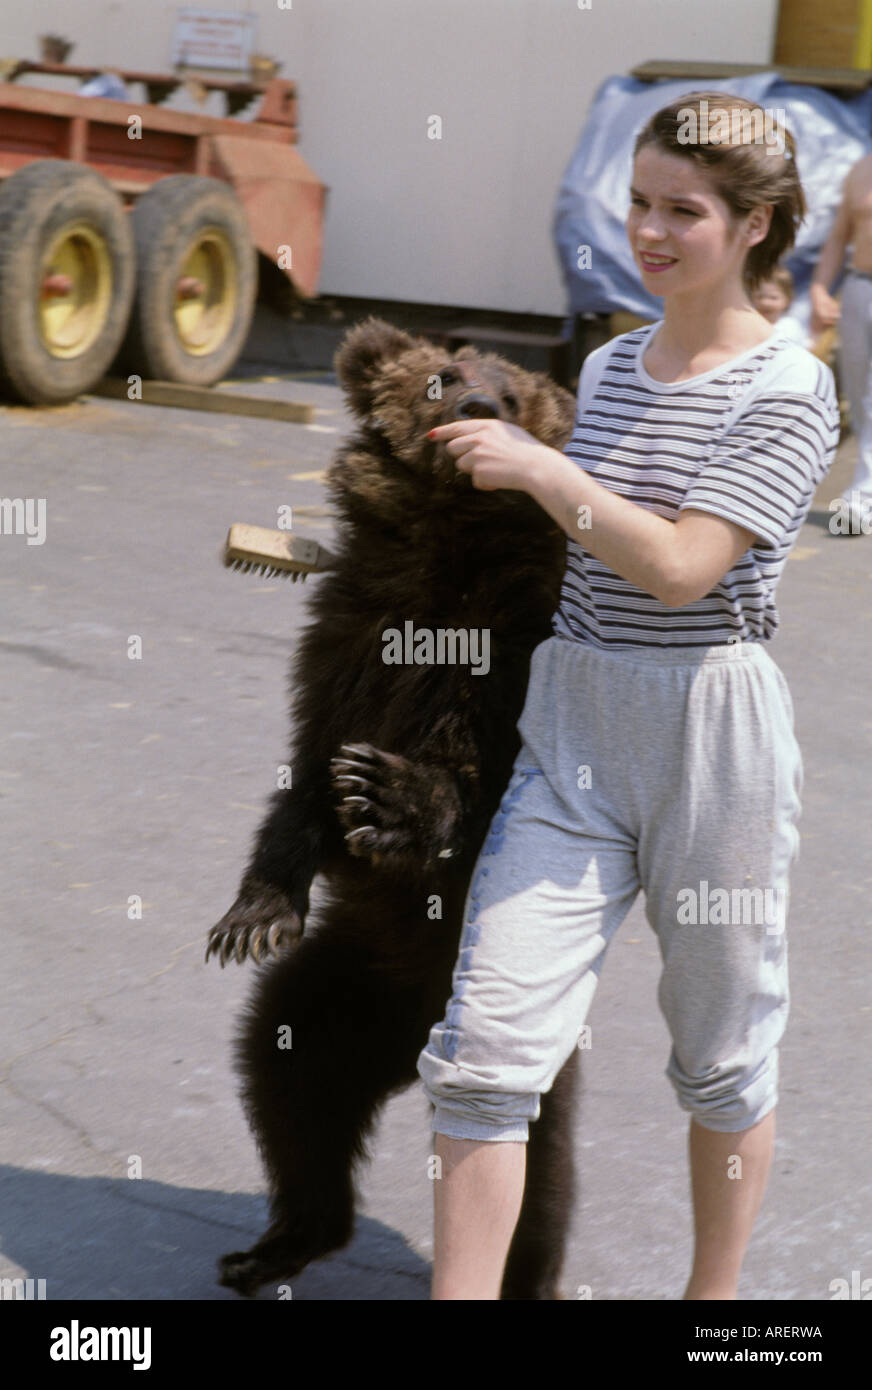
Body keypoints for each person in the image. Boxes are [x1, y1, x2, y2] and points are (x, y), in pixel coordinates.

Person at [418, 90, 840, 1301]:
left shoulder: (787, 388)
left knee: (719, 1057)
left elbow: (675, 565)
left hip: (709, 738)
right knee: (486, 1049)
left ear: (754, 225)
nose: (648, 231)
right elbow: (587, 545)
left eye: (683, 212)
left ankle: (712, 1315)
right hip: (575, 727)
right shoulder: (610, 363)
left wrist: (542, 469)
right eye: (640, 202)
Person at [810, 152, 872, 535]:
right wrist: (820, 288)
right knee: (856, 393)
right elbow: (839, 236)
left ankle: (860, 499)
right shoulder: (862, 168)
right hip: (858, 287)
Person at [750, 265, 808, 345]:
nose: (765, 302)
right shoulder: (749, 324)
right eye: (759, 296)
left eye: (773, 298)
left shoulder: (790, 326)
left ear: (787, 300)